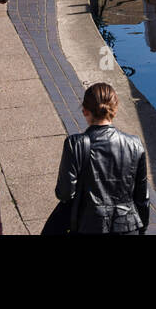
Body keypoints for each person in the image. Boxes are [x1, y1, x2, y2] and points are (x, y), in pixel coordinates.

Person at [50, 83, 150, 235]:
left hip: (89, 225)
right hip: (127, 226)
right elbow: (142, 197)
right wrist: (142, 227)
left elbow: (64, 193)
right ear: (114, 110)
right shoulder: (135, 145)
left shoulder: (75, 144)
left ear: (85, 111)